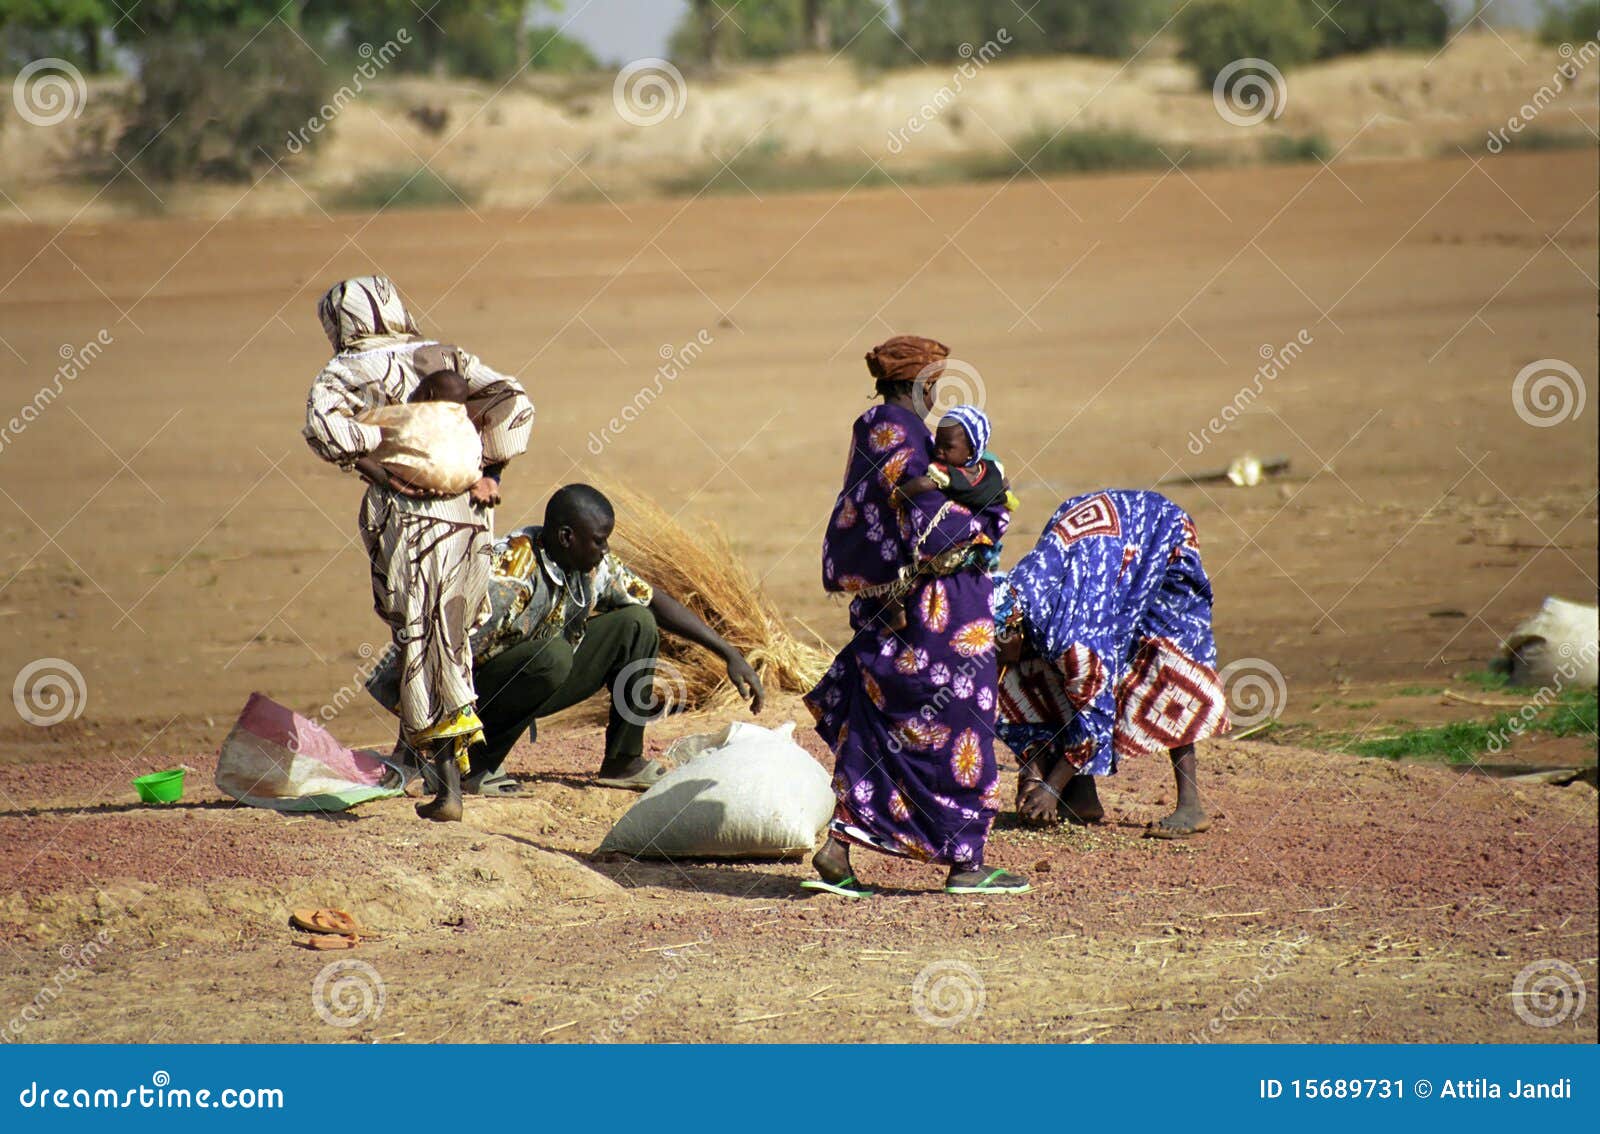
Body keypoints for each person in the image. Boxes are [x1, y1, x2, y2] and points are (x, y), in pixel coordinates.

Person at [802, 335, 1029, 898]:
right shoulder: (905, 441)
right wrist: (991, 521)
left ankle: (838, 847)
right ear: (924, 384)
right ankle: (964, 862)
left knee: (881, 727)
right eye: (936, 382)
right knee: (958, 723)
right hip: (935, 617)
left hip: (892, 610)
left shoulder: (875, 431)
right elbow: (931, 528)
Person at [305, 276, 533, 822]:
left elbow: (322, 429)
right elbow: (514, 401)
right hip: (470, 515)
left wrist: (373, 465)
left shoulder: (345, 372)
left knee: (423, 635)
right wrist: (491, 470)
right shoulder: (444, 354)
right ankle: (419, 755)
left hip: (409, 518)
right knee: (452, 629)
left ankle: (447, 788)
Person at [459, 484, 766, 794]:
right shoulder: (508, 574)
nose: (605, 550)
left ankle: (623, 761)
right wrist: (435, 741)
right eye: (599, 541)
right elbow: (453, 656)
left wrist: (728, 653)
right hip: (478, 697)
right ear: (567, 537)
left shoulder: (589, 566)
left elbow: (653, 601)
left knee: (637, 623)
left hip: (536, 677)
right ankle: (477, 764)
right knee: (555, 656)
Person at [992, 489, 1230, 836]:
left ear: (1010, 630)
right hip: (1104, 552)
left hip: (1158, 536)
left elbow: (1096, 708)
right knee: (1032, 672)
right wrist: (1032, 774)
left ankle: (1190, 806)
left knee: (1165, 660)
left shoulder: (1072, 636)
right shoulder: (1023, 601)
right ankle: (1083, 795)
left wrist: (1051, 788)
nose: (994, 656)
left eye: (994, 647)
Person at [883, 403, 1016, 630]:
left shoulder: (944, 473)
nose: (939, 452)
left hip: (948, 556)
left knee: (891, 578)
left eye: (947, 447)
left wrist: (898, 495)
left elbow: (924, 483)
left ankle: (897, 613)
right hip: (979, 556)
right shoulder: (992, 470)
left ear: (972, 451)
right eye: (938, 444)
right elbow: (1005, 491)